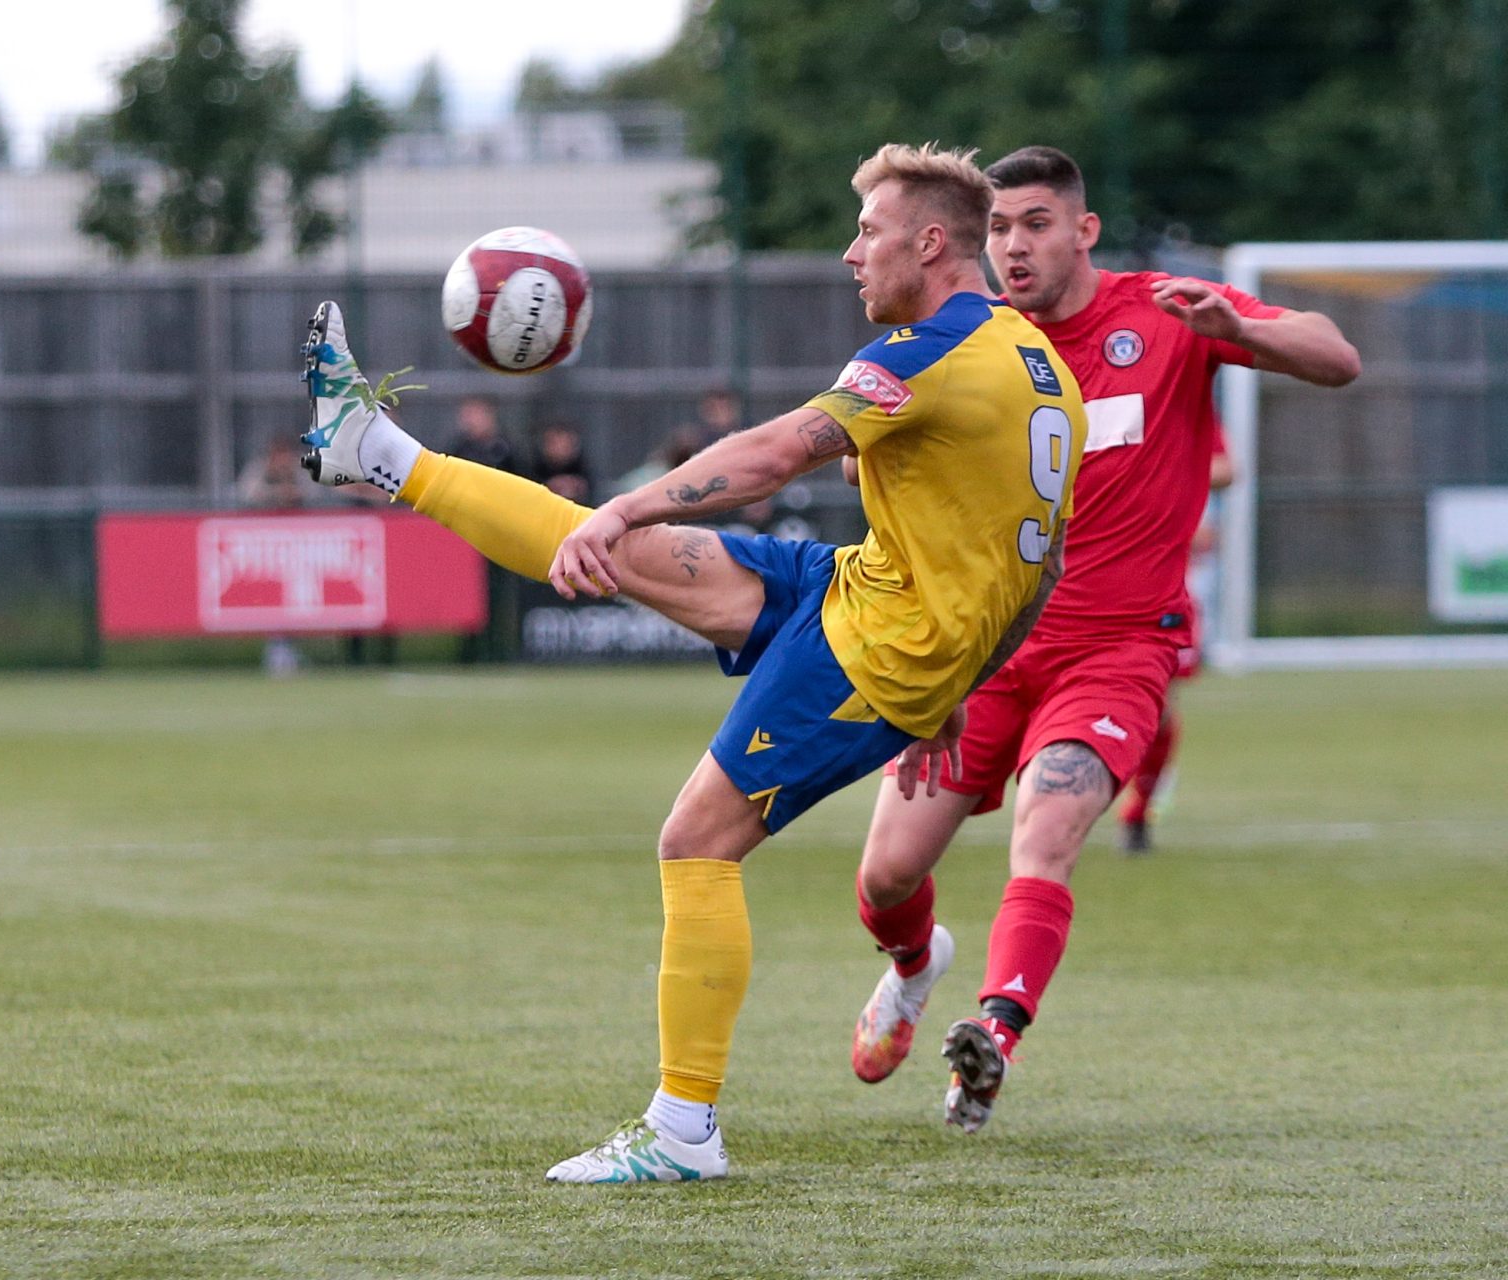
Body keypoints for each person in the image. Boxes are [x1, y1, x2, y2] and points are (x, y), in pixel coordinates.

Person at [299, 143, 1085, 1182]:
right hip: (865, 592)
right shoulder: (1036, 361)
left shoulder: (928, 351)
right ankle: (375, 452)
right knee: (614, 552)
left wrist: (633, 494)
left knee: (695, 839)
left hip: (874, 649)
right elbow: (1041, 557)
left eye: (868, 232)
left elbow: (774, 452)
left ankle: (682, 1130)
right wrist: (965, 678)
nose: (853, 254)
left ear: (930, 242)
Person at [848, 145, 1360, 1135]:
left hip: (1117, 649)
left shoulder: (1163, 315)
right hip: (981, 655)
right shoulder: (965, 341)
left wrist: (1238, 325)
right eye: (998, 227)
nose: (1013, 246)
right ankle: (914, 969)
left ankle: (994, 1033)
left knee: (1047, 830)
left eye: (1035, 222)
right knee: (885, 877)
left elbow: (1335, 357)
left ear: (1082, 230)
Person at [1116, 432, 1235, 852]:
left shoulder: (1178, 393)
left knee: (1160, 707)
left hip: (1163, 587)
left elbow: (1225, 468)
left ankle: (1140, 809)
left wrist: (1167, 476)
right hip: (1088, 579)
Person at [236, 431, 324, 676]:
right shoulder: (259, 470)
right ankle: (278, 649)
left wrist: (294, 490)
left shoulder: (299, 469)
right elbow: (246, 493)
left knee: (297, 599)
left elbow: (314, 490)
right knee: (269, 597)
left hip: (299, 546)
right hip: (265, 548)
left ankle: (288, 649)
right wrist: (275, 494)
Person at [440, 395, 518, 473]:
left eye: (474, 414)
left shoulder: (506, 450)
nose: (469, 421)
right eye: (467, 414)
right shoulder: (458, 449)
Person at [529, 420, 594, 504]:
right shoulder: (530, 471)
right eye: (556, 443)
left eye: (567, 443)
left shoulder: (584, 471)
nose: (561, 447)